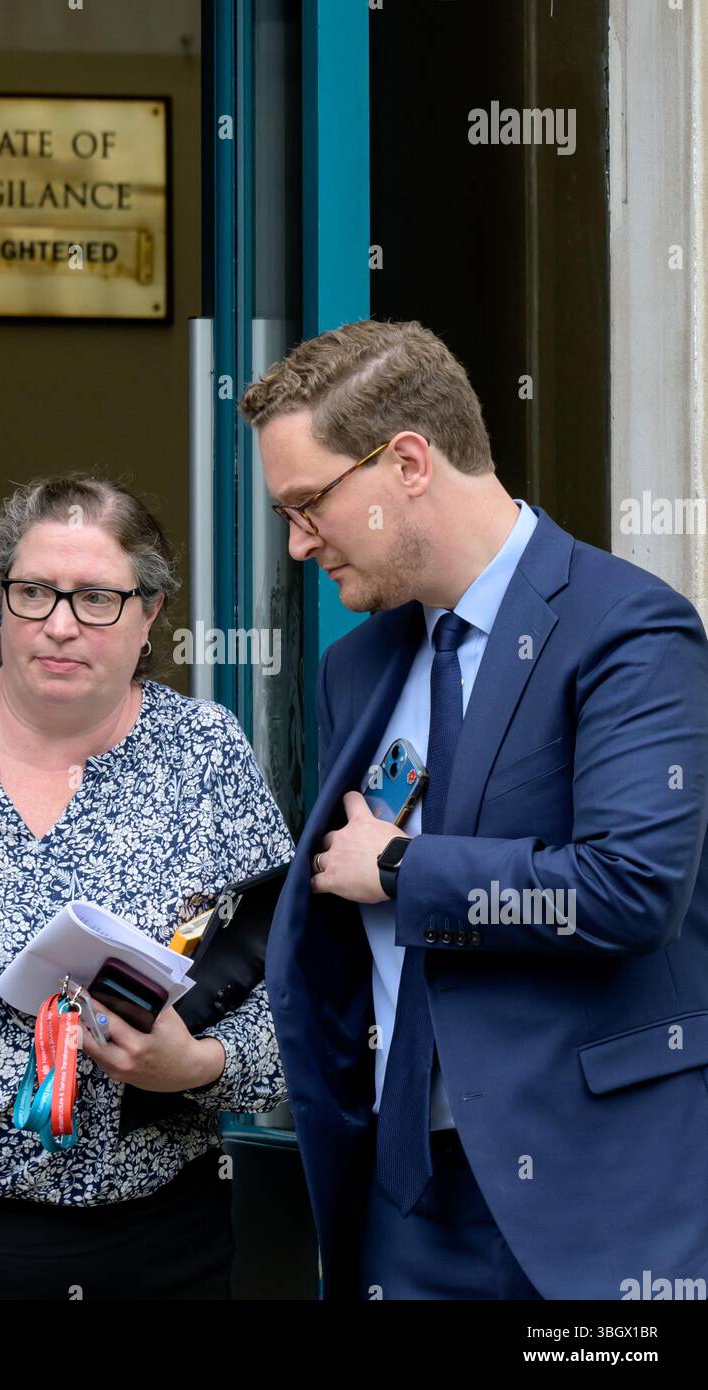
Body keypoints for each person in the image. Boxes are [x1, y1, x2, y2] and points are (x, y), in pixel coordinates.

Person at [242, 317, 708, 1300]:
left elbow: (628, 892)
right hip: (407, 1204)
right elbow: (340, 893)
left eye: (307, 504)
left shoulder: (626, 628)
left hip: (594, 1201)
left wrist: (408, 873)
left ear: (406, 460)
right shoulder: (356, 665)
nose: (294, 544)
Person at [0, 475, 294, 1300]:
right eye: (33, 592)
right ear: (0, 605)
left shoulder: (203, 755)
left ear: (151, 613)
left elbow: (304, 997)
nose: (60, 624)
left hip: (149, 1255)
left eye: (98, 598)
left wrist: (198, 1063)